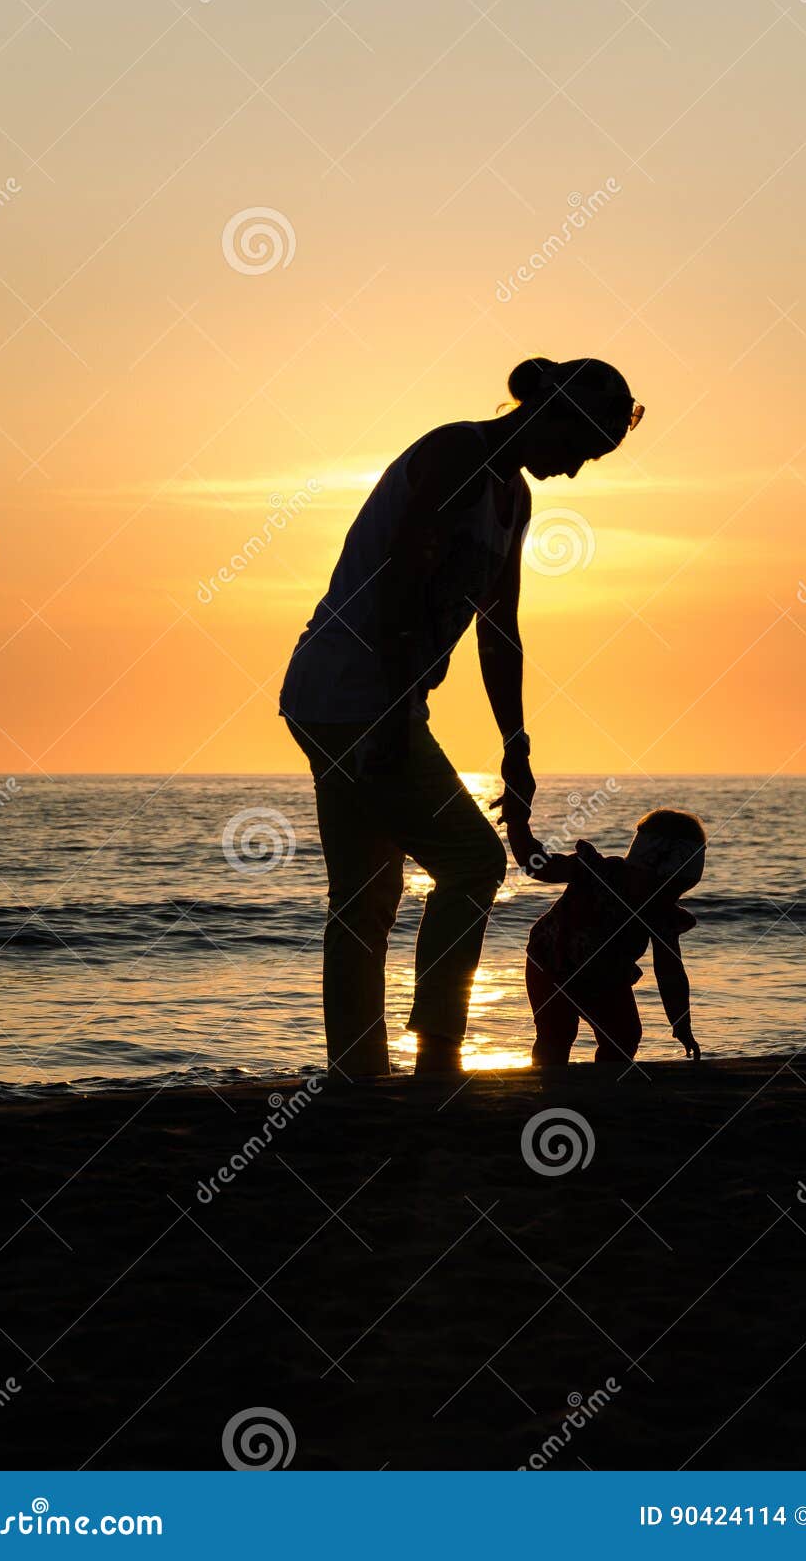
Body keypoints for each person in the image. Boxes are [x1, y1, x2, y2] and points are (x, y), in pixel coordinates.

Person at [279, 356, 644, 1081]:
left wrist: (516, 745)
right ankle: (440, 1056)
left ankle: (357, 1075)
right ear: (550, 412)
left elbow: (499, 627)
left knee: (365, 895)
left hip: (360, 700)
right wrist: (388, 715)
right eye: (579, 448)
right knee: (473, 863)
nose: (574, 470)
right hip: (348, 690)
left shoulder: (515, 501)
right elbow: (397, 586)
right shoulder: (455, 451)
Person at [508, 808, 705, 1066]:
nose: (667, 897)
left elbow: (670, 972)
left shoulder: (659, 913)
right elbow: (539, 866)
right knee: (555, 1032)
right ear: (642, 866)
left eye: (677, 891)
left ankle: (604, 1084)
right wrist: (516, 820)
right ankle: (547, 1084)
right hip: (549, 964)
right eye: (666, 885)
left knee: (624, 1036)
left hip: (605, 977)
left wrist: (681, 1023)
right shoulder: (593, 869)